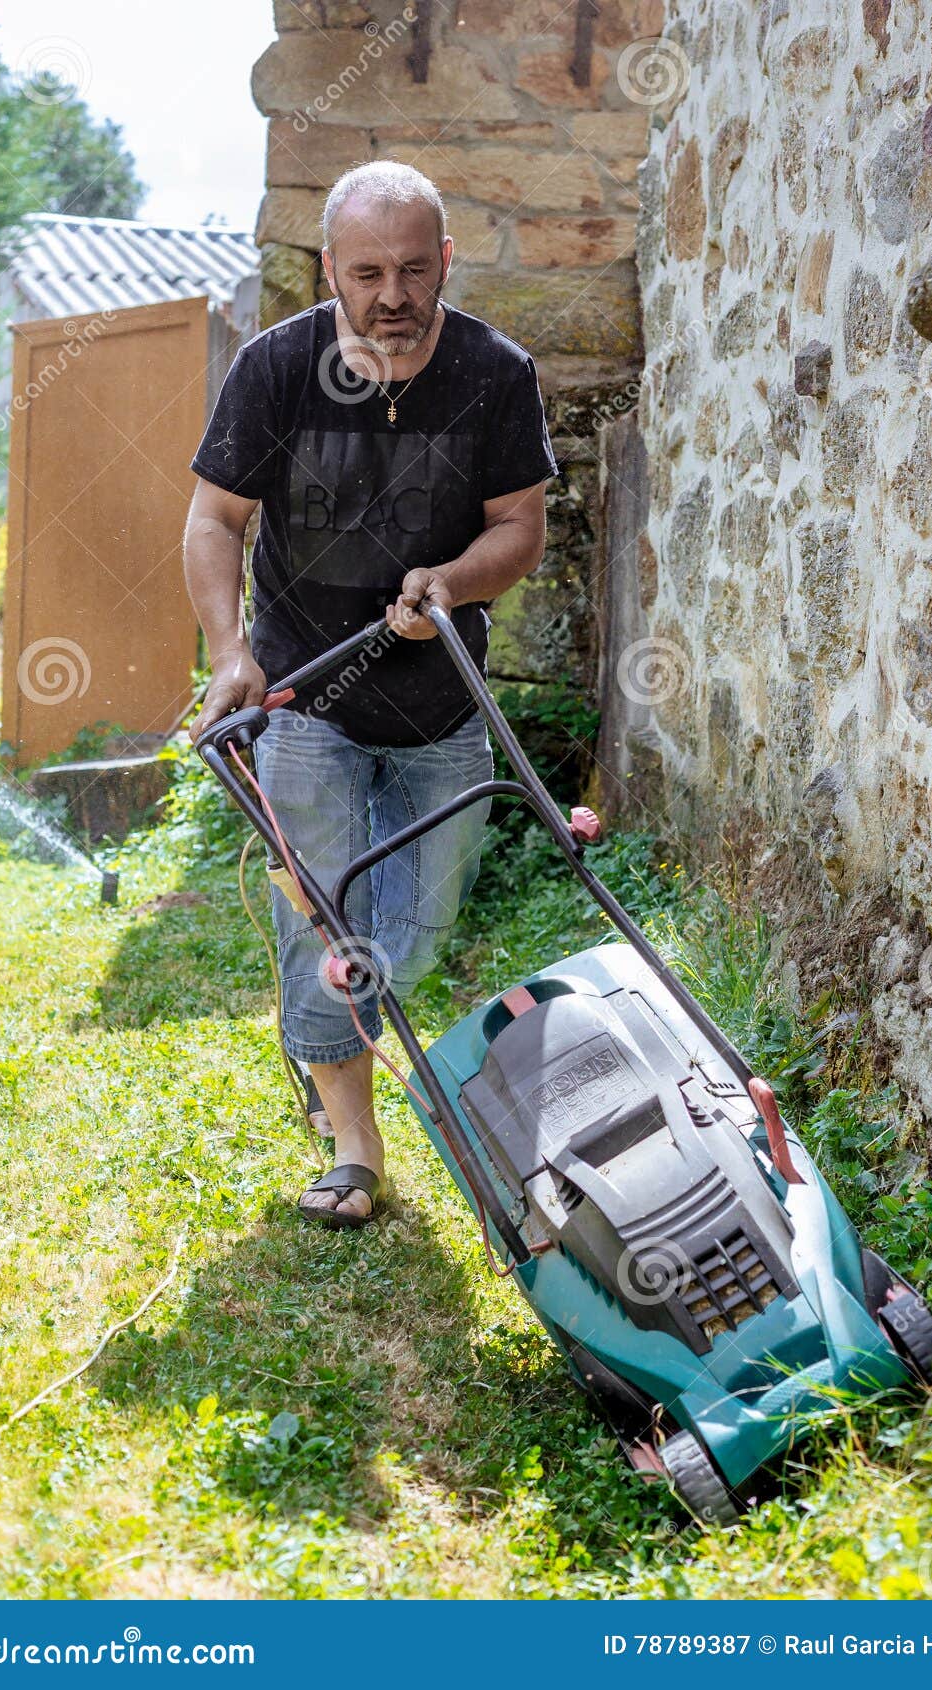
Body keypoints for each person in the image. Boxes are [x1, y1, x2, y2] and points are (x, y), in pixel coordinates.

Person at [183, 161, 557, 1229]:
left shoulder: (494, 373)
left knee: (412, 932)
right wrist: (227, 652)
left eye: (409, 267)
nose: (389, 293)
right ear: (331, 273)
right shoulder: (275, 369)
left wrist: (452, 579)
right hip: (306, 697)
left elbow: (517, 527)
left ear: (443, 260)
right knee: (330, 920)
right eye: (365, 272)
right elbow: (214, 520)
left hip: (442, 704)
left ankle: (324, 1044)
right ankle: (354, 1142)